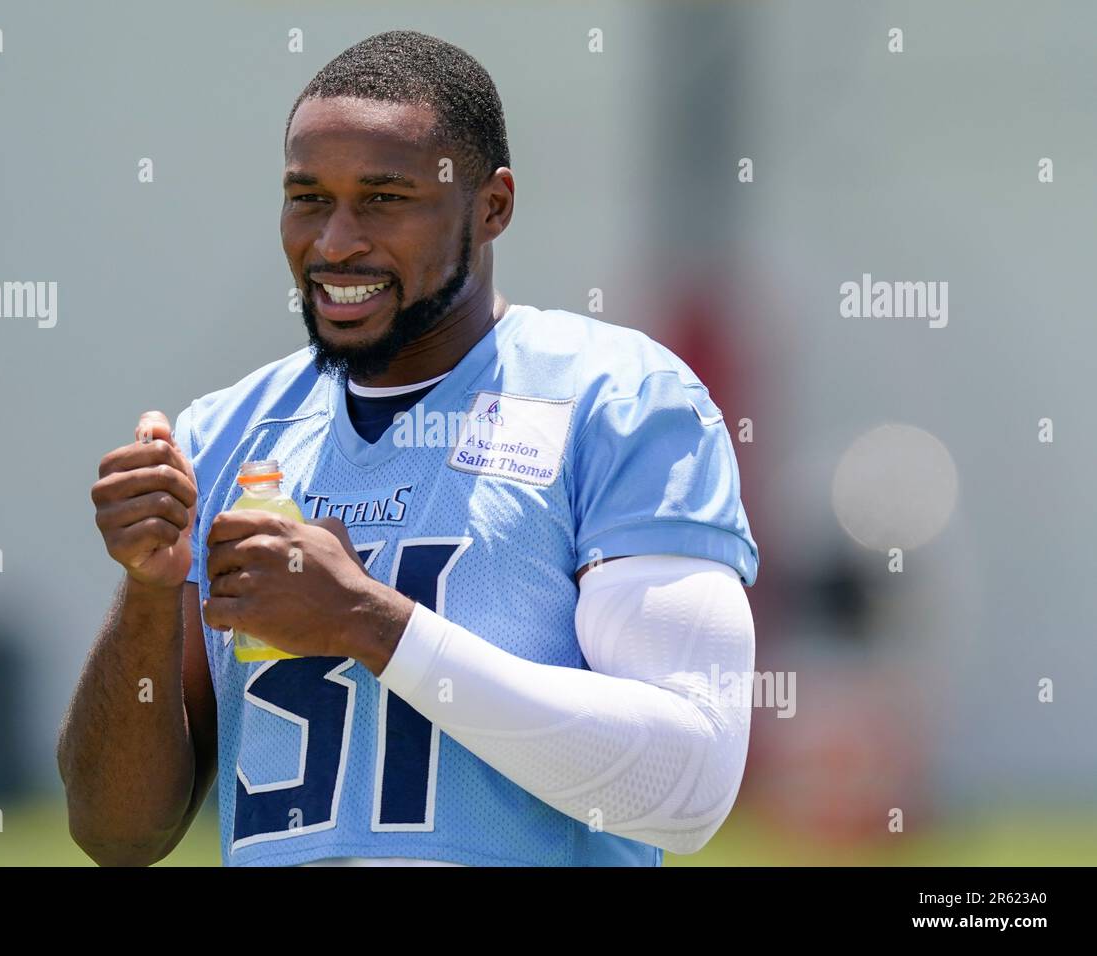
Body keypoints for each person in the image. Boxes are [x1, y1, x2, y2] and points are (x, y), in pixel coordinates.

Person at [59, 30, 759, 867]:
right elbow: (116, 836)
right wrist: (148, 590)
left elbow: (687, 792)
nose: (335, 243)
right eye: (308, 197)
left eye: (385, 198)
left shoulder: (620, 400)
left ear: (492, 205)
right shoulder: (224, 433)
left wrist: (367, 621)